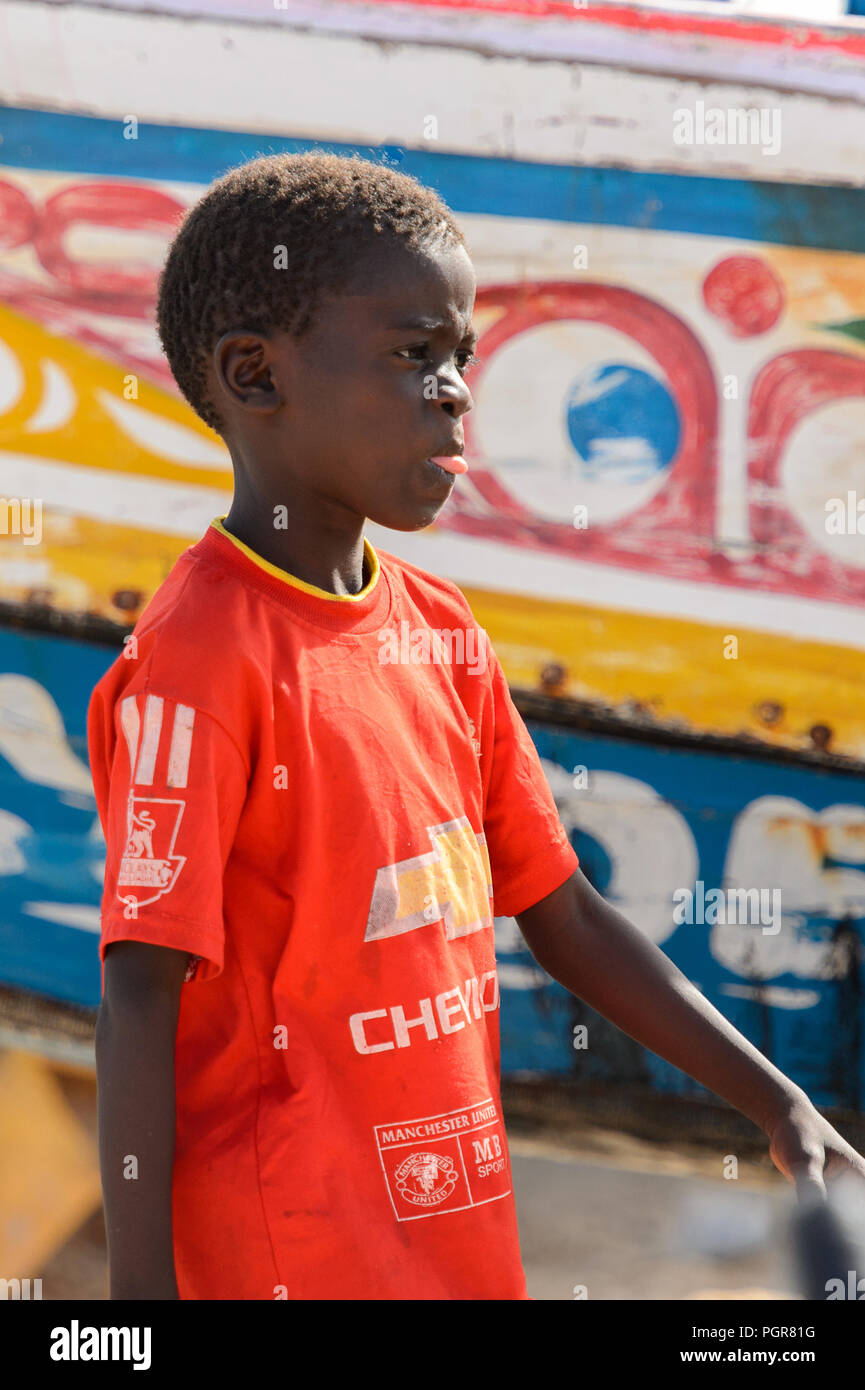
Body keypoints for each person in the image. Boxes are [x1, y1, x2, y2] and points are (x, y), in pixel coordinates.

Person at [89, 150, 865, 1302]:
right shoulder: (201, 659)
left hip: (455, 1238)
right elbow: (140, 993)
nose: (454, 389)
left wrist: (779, 1104)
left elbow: (566, 914)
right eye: (413, 355)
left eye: (461, 356)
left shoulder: (441, 630)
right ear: (256, 374)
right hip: (289, 1253)